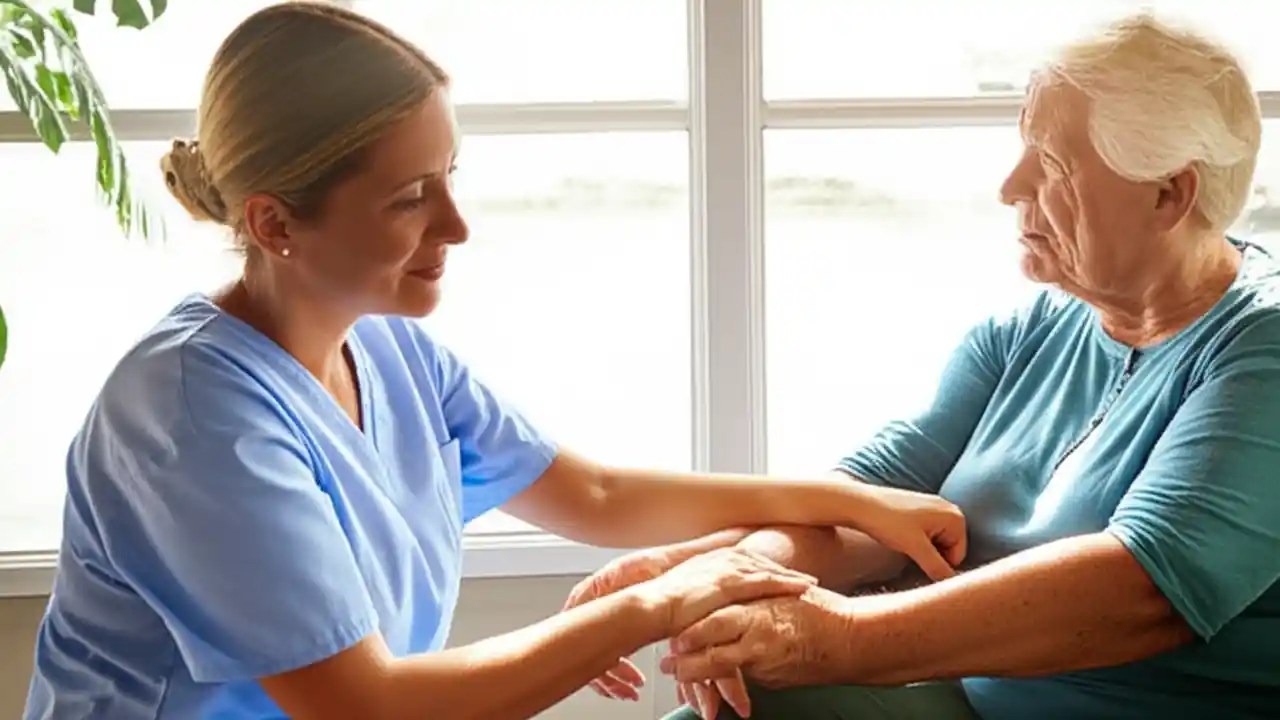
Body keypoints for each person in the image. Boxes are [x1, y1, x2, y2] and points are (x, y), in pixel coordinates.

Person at [20, 3, 972, 719]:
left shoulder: (387, 346)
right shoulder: (189, 415)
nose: (457, 226)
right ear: (274, 223)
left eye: (451, 179)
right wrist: (652, 604)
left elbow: (592, 495)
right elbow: (366, 707)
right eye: (410, 198)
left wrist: (841, 498)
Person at [568, 13, 1280, 720]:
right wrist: (708, 572)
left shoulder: (1261, 347)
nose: (1010, 185)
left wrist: (831, 638)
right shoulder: (1026, 331)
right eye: (1023, 148)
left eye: (1054, 163)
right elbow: (865, 509)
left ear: (1169, 194)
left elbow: (1141, 592)